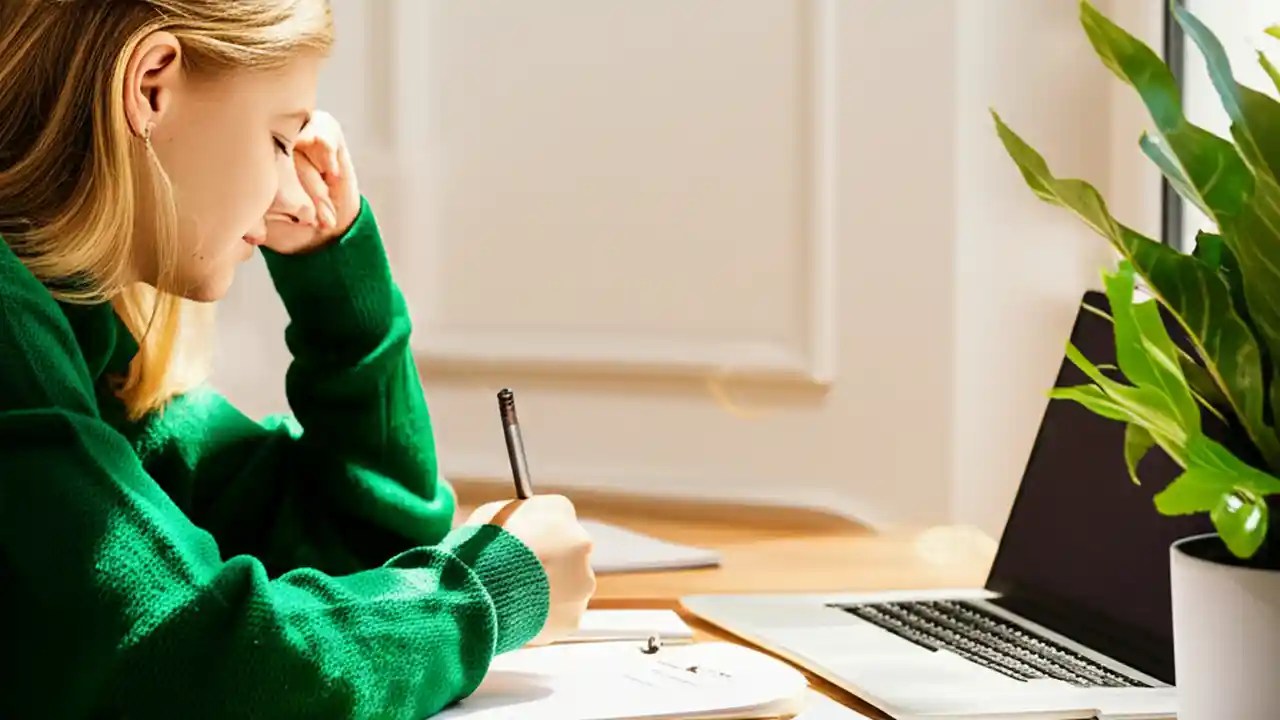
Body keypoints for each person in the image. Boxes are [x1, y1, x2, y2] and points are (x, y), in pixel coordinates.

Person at [0, 1, 596, 718]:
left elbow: (363, 539)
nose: (292, 194)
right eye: (281, 140)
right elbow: (197, 664)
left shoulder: (86, 344)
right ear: (151, 86)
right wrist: (481, 595)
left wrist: (334, 273)